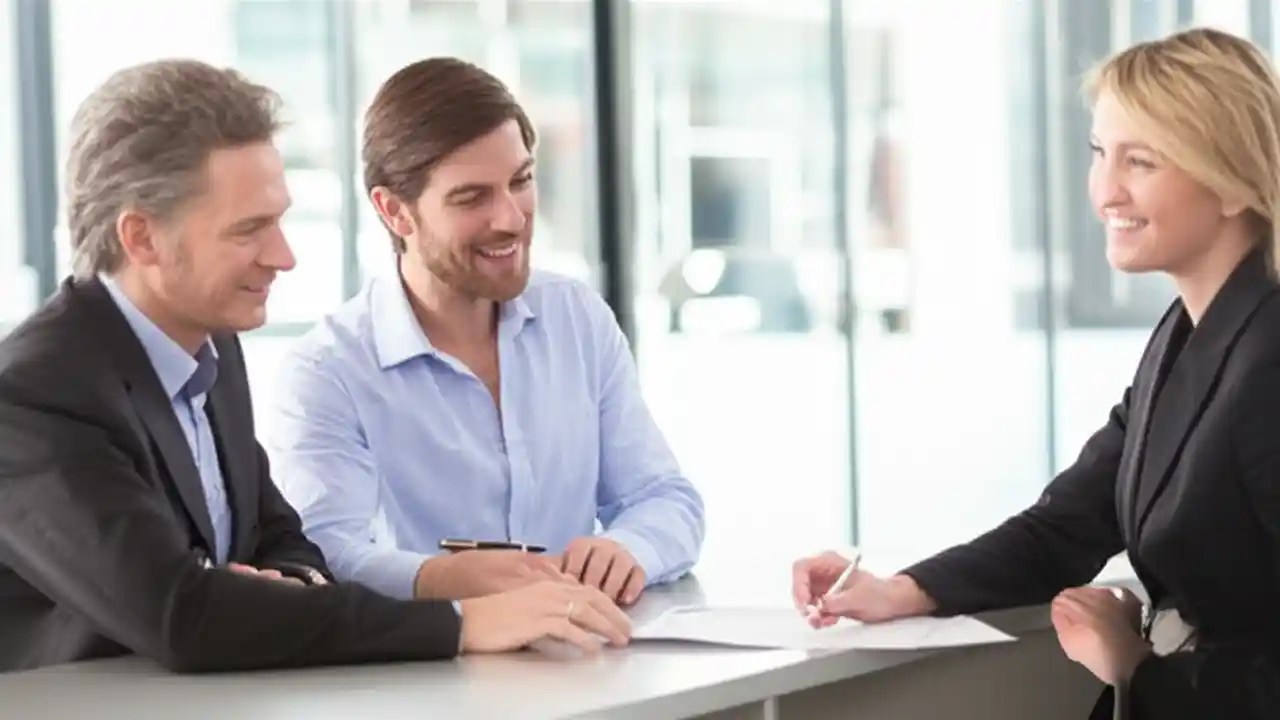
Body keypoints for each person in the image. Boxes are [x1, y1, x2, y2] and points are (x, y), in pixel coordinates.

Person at [0, 59, 630, 674]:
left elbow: (282, 537)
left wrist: (282, 588)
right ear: (141, 238)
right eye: (249, 230)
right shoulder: (33, 397)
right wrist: (463, 622)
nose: (284, 256)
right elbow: (180, 614)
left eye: (279, 220)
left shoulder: (210, 344)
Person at [792, 28, 1280, 719]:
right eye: (1099, 154)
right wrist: (901, 590)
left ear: (1234, 182)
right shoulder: (1189, 331)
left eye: (1139, 161)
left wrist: (1134, 667)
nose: (1106, 190)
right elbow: (1071, 521)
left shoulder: (1268, 354)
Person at [265, 57, 704, 607]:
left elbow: (664, 497)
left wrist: (630, 547)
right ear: (394, 211)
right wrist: (452, 582)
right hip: (426, 676)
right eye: (472, 198)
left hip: (587, 662)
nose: (511, 218)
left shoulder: (577, 319)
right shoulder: (329, 371)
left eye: (520, 181)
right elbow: (328, 552)